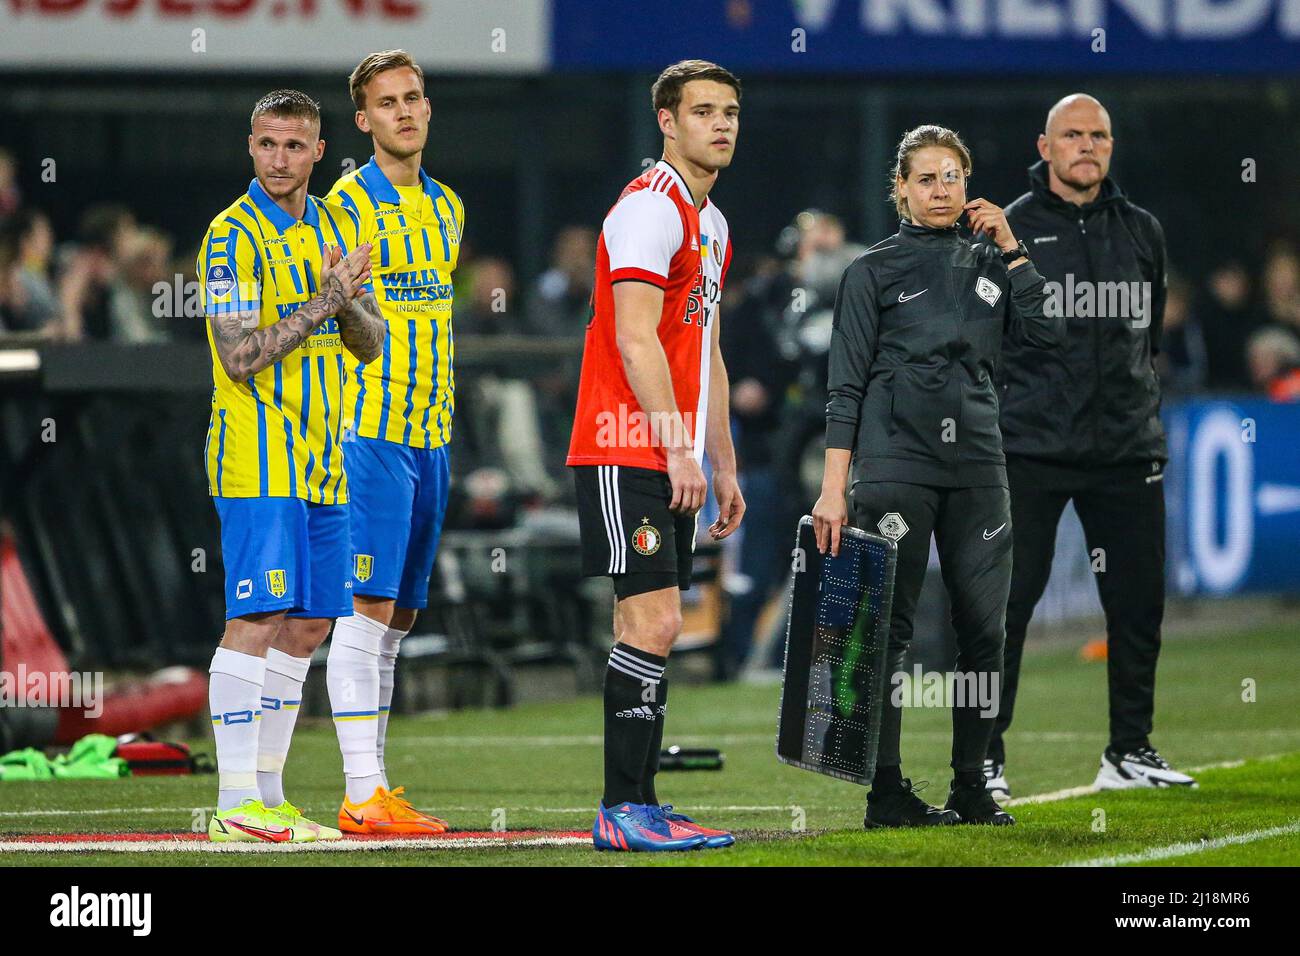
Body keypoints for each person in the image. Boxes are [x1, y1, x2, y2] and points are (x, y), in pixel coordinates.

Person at [812, 124, 1061, 828]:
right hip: (895, 469)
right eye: (926, 178)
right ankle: (886, 792)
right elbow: (844, 388)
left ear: (969, 184)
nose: (941, 190)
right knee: (887, 631)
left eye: (952, 177)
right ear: (900, 189)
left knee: (986, 630)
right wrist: (836, 487)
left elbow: (1049, 337)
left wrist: (1012, 248)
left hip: (980, 467)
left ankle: (970, 786)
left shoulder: (993, 262)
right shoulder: (872, 271)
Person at [989, 93, 1197, 799]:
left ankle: (1130, 750)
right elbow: (988, 340)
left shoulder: (1142, 230)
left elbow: (1150, 339)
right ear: (1044, 147)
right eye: (1072, 134)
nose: (1087, 145)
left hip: (1126, 450)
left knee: (1137, 607)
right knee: (1005, 607)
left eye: (1099, 135)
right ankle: (983, 759)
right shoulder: (1007, 229)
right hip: (1031, 450)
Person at [566, 59, 745, 851]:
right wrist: (678, 451)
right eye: (704, 111)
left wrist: (725, 462)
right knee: (656, 617)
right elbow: (635, 340)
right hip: (621, 443)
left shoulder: (712, 224)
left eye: (731, 112)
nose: (722, 124)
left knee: (657, 625)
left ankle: (639, 801)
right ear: (666, 122)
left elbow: (706, 351)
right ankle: (621, 808)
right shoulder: (647, 210)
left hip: (668, 450)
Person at [199, 89, 384, 842]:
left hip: (323, 455)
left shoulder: (338, 225)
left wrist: (345, 304)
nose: (280, 159)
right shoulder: (230, 236)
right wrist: (323, 299)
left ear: (317, 151)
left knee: (307, 626)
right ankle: (235, 801)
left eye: (294, 146)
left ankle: (268, 800)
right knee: (259, 614)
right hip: (259, 453)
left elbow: (370, 342)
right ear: (250, 145)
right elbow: (239, 356)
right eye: (267, 144)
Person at [325, 50, 463, 835]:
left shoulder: (447, 208)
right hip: (373, 432)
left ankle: (374, 786)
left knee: (401, 618)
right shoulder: (347, 205)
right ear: (364, 121)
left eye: (413, 97)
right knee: (368, 609)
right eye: (388, 102)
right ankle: (359, 791)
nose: (404, 112)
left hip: (433, 437)